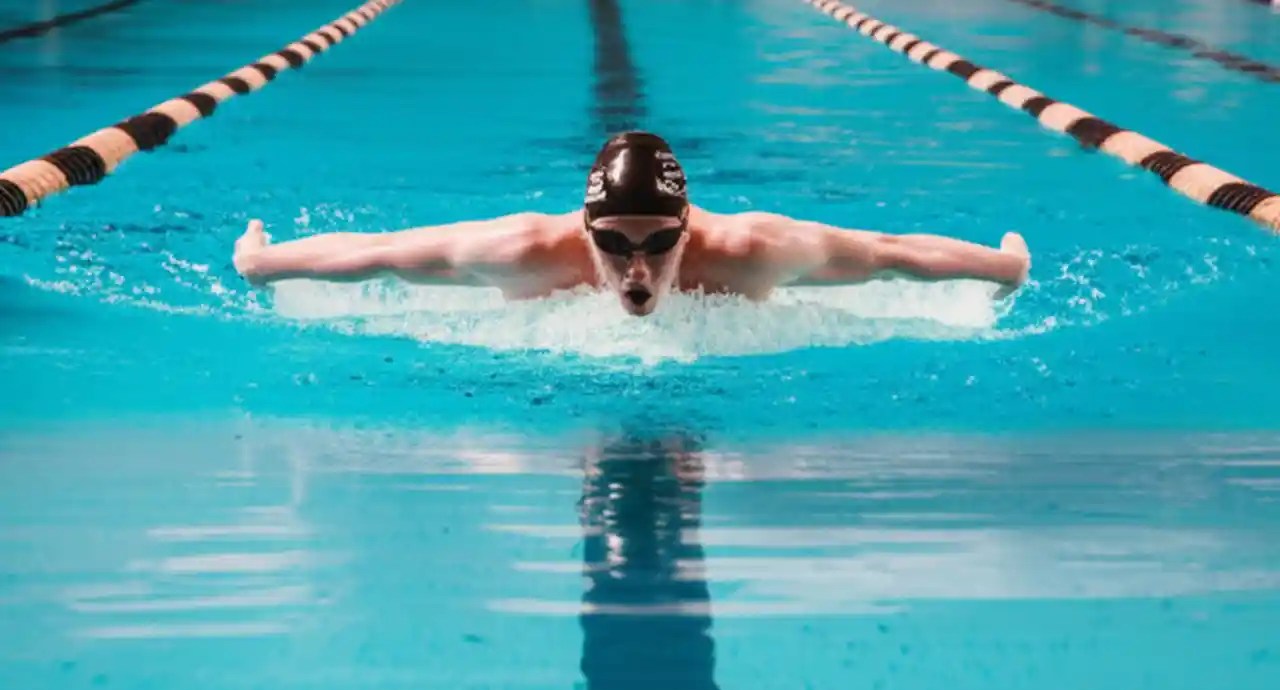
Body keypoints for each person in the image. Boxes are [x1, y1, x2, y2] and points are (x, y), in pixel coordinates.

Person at [233, 131, 1031, 317]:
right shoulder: (520, 252)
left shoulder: (750, 252)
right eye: (614, 244)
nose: (636, 269)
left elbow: (891, 255)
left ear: (691, 230)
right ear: (584, 232)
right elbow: (378, 256)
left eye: (659, 243)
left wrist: (1002, 270)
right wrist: (265, 265)